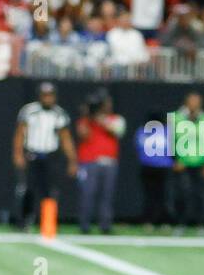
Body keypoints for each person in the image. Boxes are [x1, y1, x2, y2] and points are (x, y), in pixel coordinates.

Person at [12, 82, 76, 231]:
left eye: (50, 95)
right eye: (45, 95)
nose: (48, 98)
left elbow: (65, 138)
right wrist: (18, 154)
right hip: (32, 154)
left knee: (50, 191)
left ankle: (47, 224)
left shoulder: (59, 114)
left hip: (51, 156)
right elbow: (20, 134)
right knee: (27, 189)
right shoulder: (29, 111)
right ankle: (24, 222)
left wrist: (72, 160)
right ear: (40, 96)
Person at [74, 89, 126, 235]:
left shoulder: (116, 119)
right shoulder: (86, 120)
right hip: (89, 162)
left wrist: (99, 118)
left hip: (109, 163)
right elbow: (82, 134)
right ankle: (84, 225)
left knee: (107, 196)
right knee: (87, 194)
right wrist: (88, 116)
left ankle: (105, 225)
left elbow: (118, 131)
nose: (106, 106)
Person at [171, 91, 204, 236]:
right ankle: (180, 224)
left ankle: (201, 225)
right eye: (192, 101)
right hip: (183, 163)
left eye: (197, 101)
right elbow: (171, 140)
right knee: (183, 194)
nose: (194, 104)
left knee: (201, 196)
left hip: (201, 163)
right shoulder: (176, 118)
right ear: (186, 102)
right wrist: (174, 159)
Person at [134, 111, 173, 232]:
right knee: (159, 196)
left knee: (154, 196)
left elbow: (138, 147)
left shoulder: (142, 130)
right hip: (161, 167)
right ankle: (161, 222)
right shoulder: (166, 131)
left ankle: (151, 222)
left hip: (150, 167)